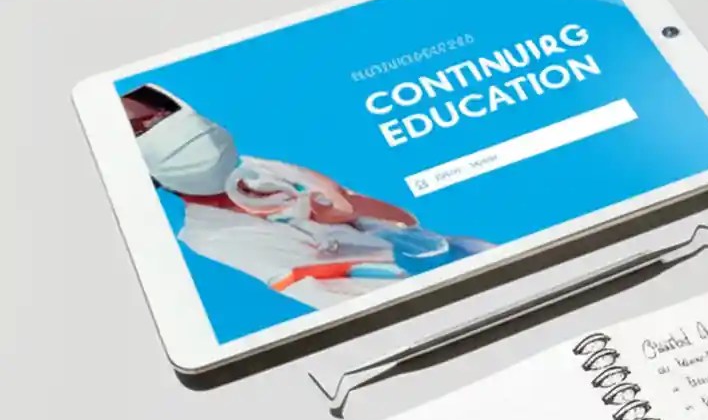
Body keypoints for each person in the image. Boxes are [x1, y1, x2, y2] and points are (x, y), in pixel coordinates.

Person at [121, 84, 491, 309]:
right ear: (153, 176)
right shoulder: (208, 235)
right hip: (404, 298)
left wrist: (340, 204)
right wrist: (317, 219)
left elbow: (402, 219)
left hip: (444, 254)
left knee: (472, 249)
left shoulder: (257, 167)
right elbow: (320, 275)